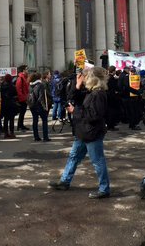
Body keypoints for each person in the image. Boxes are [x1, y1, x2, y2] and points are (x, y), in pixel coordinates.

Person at [50, 66, 112, 199]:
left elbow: (94, 115)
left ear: (93, 79)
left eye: (87, 77)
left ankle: (104, 188)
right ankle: (65, 181)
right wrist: (77, 85)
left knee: (97, 161)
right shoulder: (91, 92)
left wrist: (75, 111)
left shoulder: (99, 94)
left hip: (92, 133)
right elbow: (73, 98)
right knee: (73, 157)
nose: (85, 79)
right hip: (83, 132)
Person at [29, 73, 50, 142]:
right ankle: (45, 137)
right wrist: (45, 106)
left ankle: (36, 136)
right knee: (44, 121)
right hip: (39, 106)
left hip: (32, 105)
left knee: (35, 121)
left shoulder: (30, 85)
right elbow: (41, 97)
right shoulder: (40, 85)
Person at [0, 74, 17, 138]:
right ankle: (12, 132)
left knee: (5, 119)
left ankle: (6, 133)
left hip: (4, 104)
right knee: (11, 119)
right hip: (11, 104)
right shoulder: (12, 86)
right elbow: (15, 94)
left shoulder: (2, 86)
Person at [15, 65, 30, 132]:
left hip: (25, 97)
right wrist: (22, 98)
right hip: (22, 99)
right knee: (21, 113)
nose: (27, 70)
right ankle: (19, 126)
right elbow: (19, 89)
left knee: (23, 113)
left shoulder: (24, 77)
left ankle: (21, 125)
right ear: (23, 70)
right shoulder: (20, 78)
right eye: (26, 69)